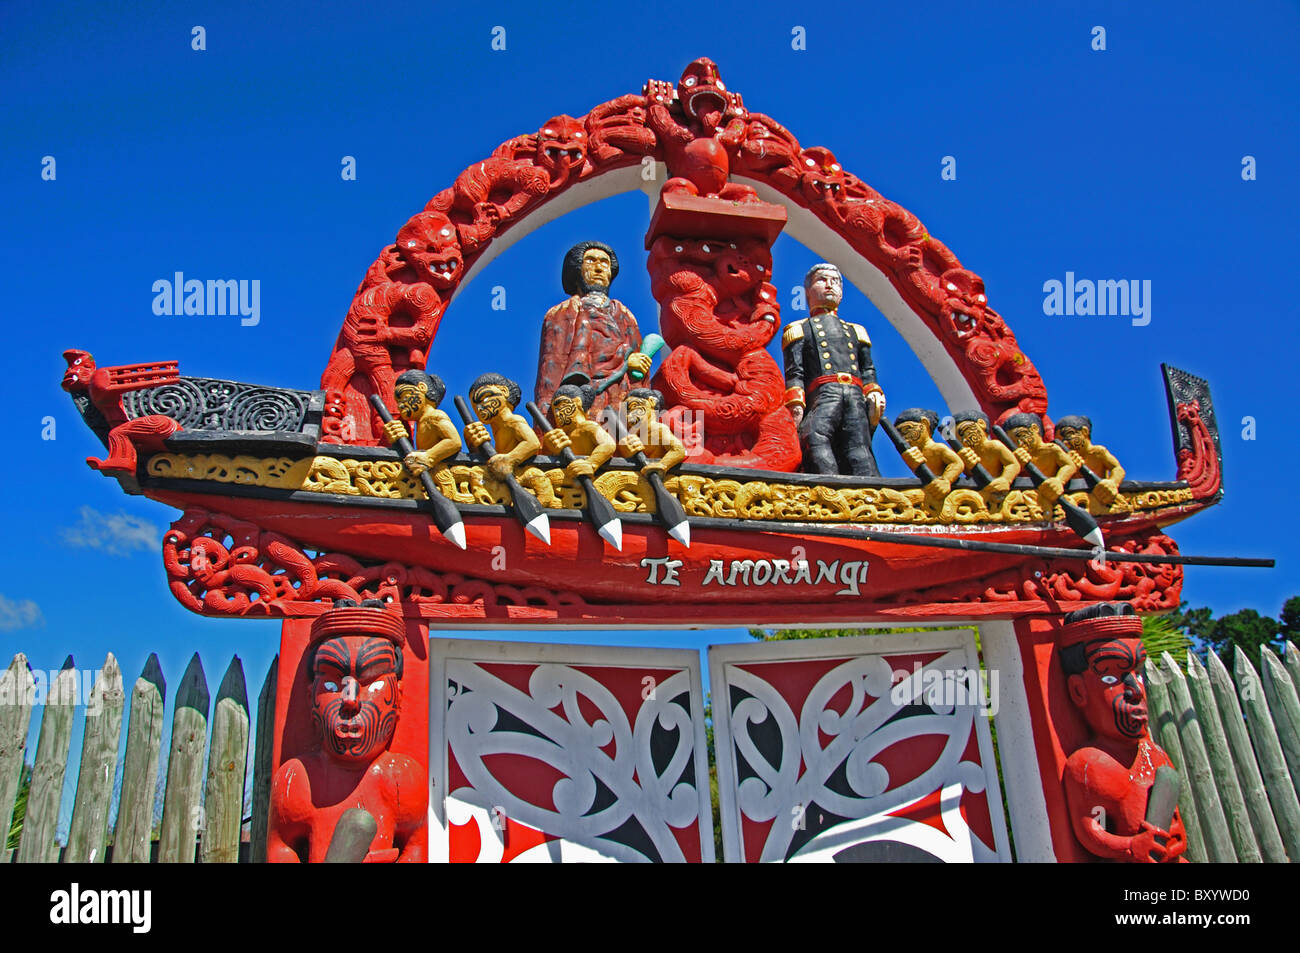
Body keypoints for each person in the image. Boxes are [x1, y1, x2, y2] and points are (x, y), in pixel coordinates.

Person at [267, 600, 427, 862]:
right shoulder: (296, 781)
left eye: (372, 681)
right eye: (331, 683)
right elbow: (280, 848)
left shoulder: (403, 779)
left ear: (398, 696)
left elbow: (416, 847)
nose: (350, 699)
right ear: (311, 697)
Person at [1059, 603, 1187, 863]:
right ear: (1078, 691)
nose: (1135, 690)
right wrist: (1130, 846)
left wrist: (1173, 841)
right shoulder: (1087, 765)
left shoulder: (1155, 755)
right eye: (1110, 677)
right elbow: (1091, 831)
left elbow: (1177, 825)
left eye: (1137, 674)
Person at [781, 263, 886, 476]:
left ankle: (869, 492)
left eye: (835, 281)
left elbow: (867, 368)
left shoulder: (856, 330)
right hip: (823, 393)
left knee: (859, 445)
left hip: (855, 394)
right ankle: (828, 486)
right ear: (807, 291)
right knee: (814, 437)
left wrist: (873, 390)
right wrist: (796, 402)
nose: (830, 285)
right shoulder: (798, 329)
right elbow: (795, 372)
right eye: (822, 280)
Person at [535, 241, 649, 420]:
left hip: (622, 400)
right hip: (582, 401)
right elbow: (550, 373)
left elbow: (641, 372)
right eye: (590, 261)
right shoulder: (563, 312)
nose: (598, 268)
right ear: (577, 269)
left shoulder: (624, 315)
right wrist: (626, 360)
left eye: (605, 263)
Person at [463, 372, 555, 505]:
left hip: (521, 474)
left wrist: (510, 459)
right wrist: (474, 444)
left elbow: (532, 443)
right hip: (504, 477)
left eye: (483, 398)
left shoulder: (513, 421)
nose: (479, 407)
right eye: (474, 406)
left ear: (504, 392)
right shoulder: (497, 430)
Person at [381, 370, 462, 479]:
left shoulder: (434, 416)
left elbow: (454, 441)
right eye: (398, 402)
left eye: (404, 397)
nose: (400, 405)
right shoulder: (422, 422)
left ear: (422, 388)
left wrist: (429, 457)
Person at [541, 383, 619, 481]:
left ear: (577, 402)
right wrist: (548, 447)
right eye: (554, 410)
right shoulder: (562, 436)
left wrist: (591, 463)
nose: (557, 413)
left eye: (562, 406)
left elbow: (608, 444)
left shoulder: (587, 427)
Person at [1003, 412, 1077, 509]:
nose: (1020, 443)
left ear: (1034, 429)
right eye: (1013, 441)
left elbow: (1069, 465)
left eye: (1021, 435)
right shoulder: (1017, 456)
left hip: (1052, 494)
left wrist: (1059, 480)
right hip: (1030, 496)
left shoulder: (1052, 450)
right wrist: (1017, 463)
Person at [894, 408, 963, 507]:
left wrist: (946, 480)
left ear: (925, 423)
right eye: (900, 435)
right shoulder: (914, 453)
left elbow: (957, 463)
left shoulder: (937, 448)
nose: (905, 437)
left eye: (907, 429)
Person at [1055, 414, 1125, 510]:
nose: (1065, 443)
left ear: (1084, 432)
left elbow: (1117, 468)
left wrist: (1113, 482)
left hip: (1099, 498)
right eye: (1060, 441)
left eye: (1068, 435)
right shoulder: (1063, 457)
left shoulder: (1097, 452)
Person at [952, 409, 1021, 503]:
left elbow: (1012, 464)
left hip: (1001, 490)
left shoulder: (994, 446)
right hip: (980, 492)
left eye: (966, 431)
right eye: (959, 438)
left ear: (981, 423)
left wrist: (1005, 479)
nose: (964, 439)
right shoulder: (965, 455)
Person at [618, 388, 686, 477]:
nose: (629, 415)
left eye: (634, 407)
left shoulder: (659, 429)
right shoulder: (634, 435)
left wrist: (662, 465)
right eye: (627, 412)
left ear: (651, 402)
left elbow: (678, 450)